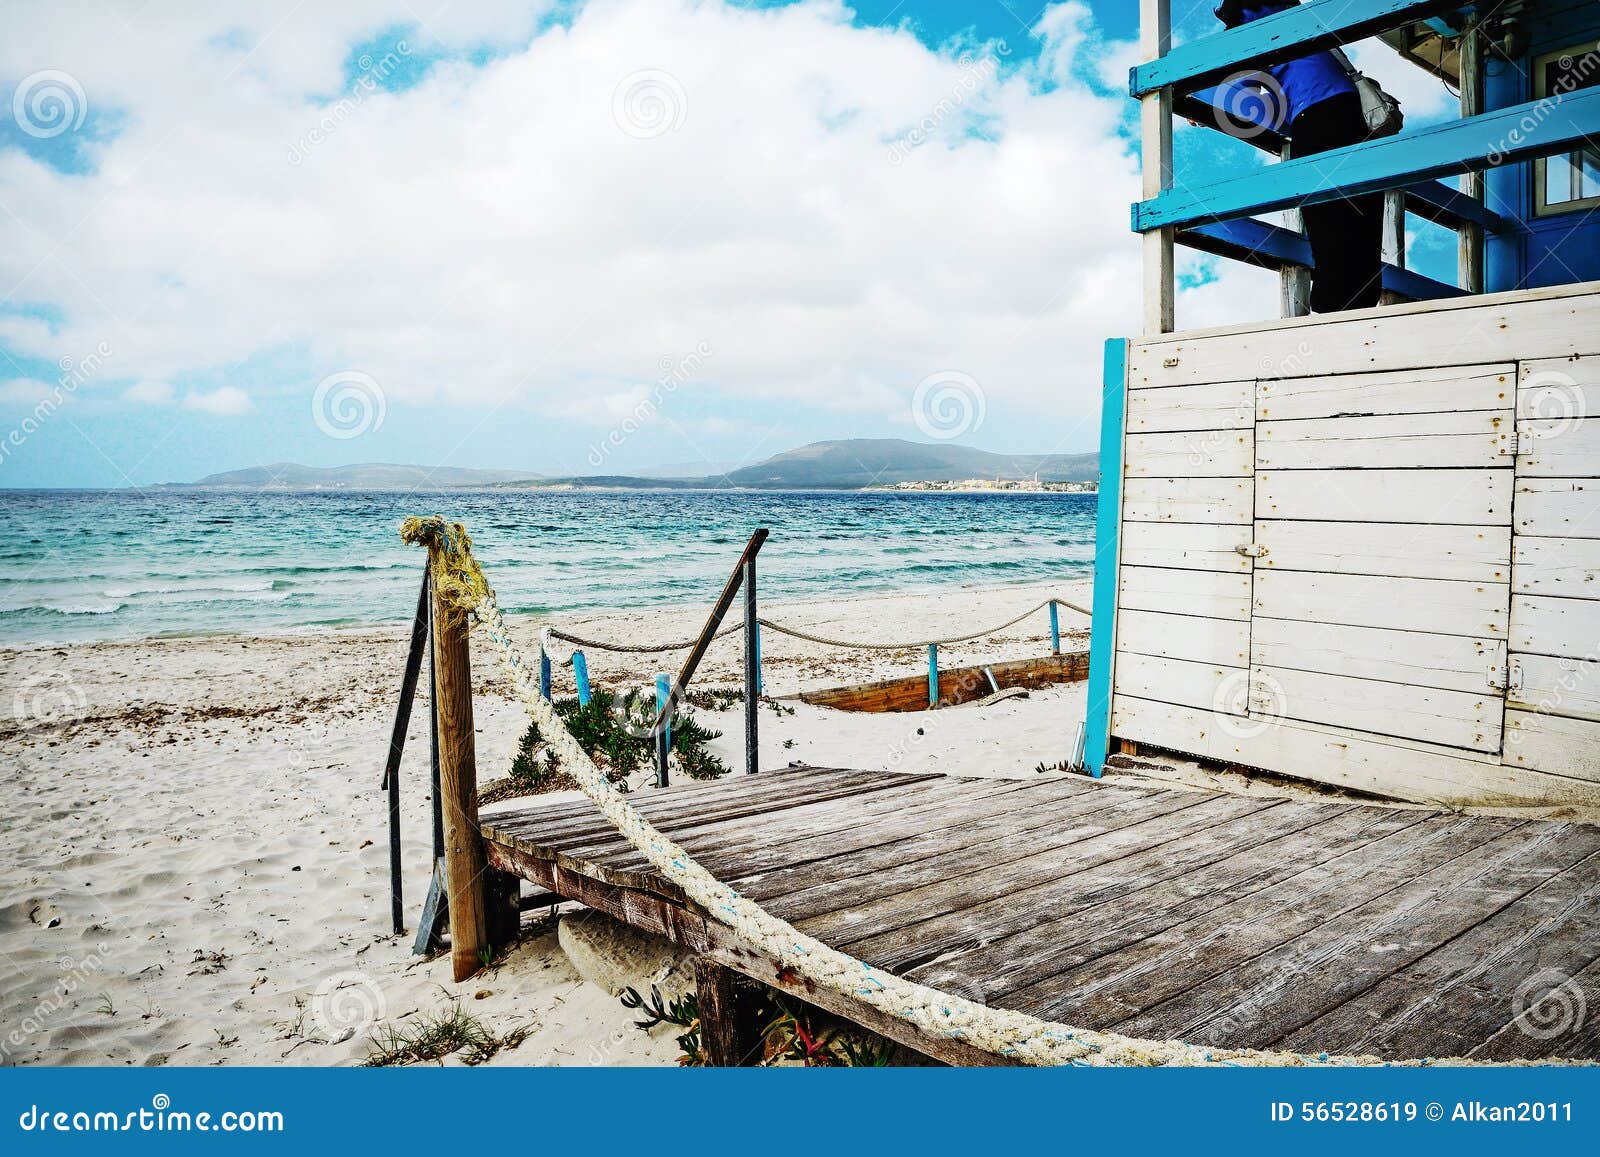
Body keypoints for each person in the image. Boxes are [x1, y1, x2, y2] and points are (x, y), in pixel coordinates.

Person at [1215, 0, 1385, 312]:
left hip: (1315, 116)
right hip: (1354, 116)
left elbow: (1237, 87)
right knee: (1362, 210)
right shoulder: (1297, 11)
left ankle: (1332, 303)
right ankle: (1362, 298)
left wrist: (1208, 106)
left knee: (1323, 213)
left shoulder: (1252, 18)